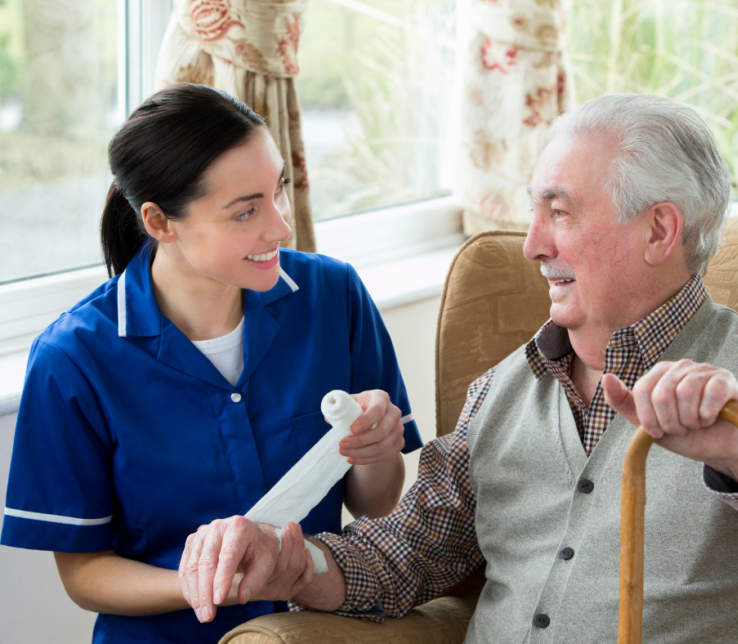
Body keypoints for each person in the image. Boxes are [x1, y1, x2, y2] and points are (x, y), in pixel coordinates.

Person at [178, 93, 738, 643]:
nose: (531, 244)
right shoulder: (499, 390)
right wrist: (292, 562)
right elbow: (404, 554)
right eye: (533, 212)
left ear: (659, 230)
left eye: (560, 213)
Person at [0, 83, 423, 644]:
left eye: (278, 192)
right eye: (245, 211)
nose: (279, 226)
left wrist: (374, 449)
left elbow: (375, 501)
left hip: (314, 633)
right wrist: (217, 582)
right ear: (159, 222)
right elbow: (84, 575)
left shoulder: (334, 296)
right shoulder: (72, 360)